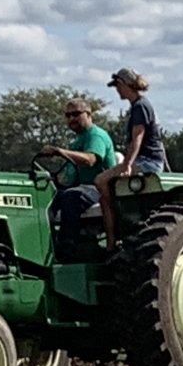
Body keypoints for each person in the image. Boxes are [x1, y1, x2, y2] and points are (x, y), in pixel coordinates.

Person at [96, 66, 167, 246]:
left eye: (117, 86)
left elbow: (138, 138)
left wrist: (127, 164)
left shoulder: (140, 107)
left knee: (101, 181)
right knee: (105, 191)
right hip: (144, 159)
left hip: (148, 162)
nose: (117, 90)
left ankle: (118, 226)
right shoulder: (137, 106)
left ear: (124, 84)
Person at [40, 98, 117, 261]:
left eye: (76, 114)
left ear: (89, 114)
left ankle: (67, 249)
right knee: (45, 198)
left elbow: (90, 160)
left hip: (100, 188)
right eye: (67, 116)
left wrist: (59, 151)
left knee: (71, 197)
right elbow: (69, 175)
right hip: (82, 188)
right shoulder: (76, 142)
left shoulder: (95, 136)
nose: (71, 119)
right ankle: (44, 246)